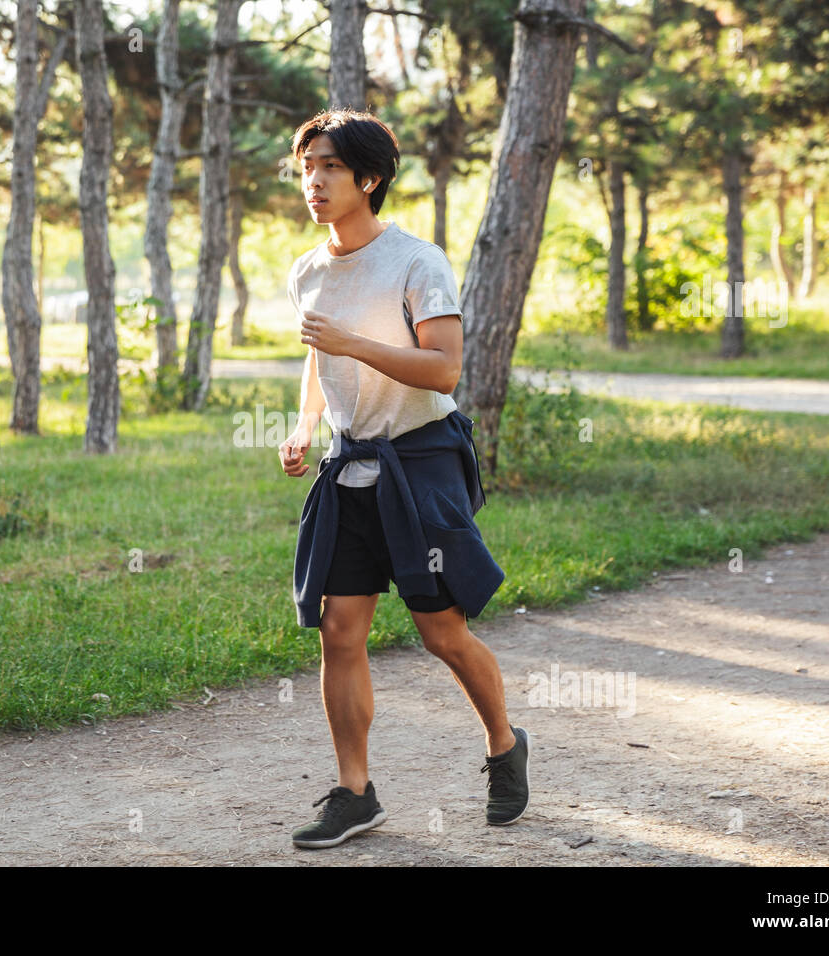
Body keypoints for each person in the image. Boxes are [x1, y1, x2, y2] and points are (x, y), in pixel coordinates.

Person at [278, 108, 530, 850]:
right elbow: (317, 359)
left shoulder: (418, 263)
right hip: (349, 462)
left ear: (370, 178)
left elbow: (445, 367)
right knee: (339, 628)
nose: (314, 182)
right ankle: (356, 794)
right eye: (306, 168)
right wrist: (304, 424)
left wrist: (353, 341)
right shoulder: (308, 271)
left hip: (420, 460)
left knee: (440, 631)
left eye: (328, 167)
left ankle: (505, 745)